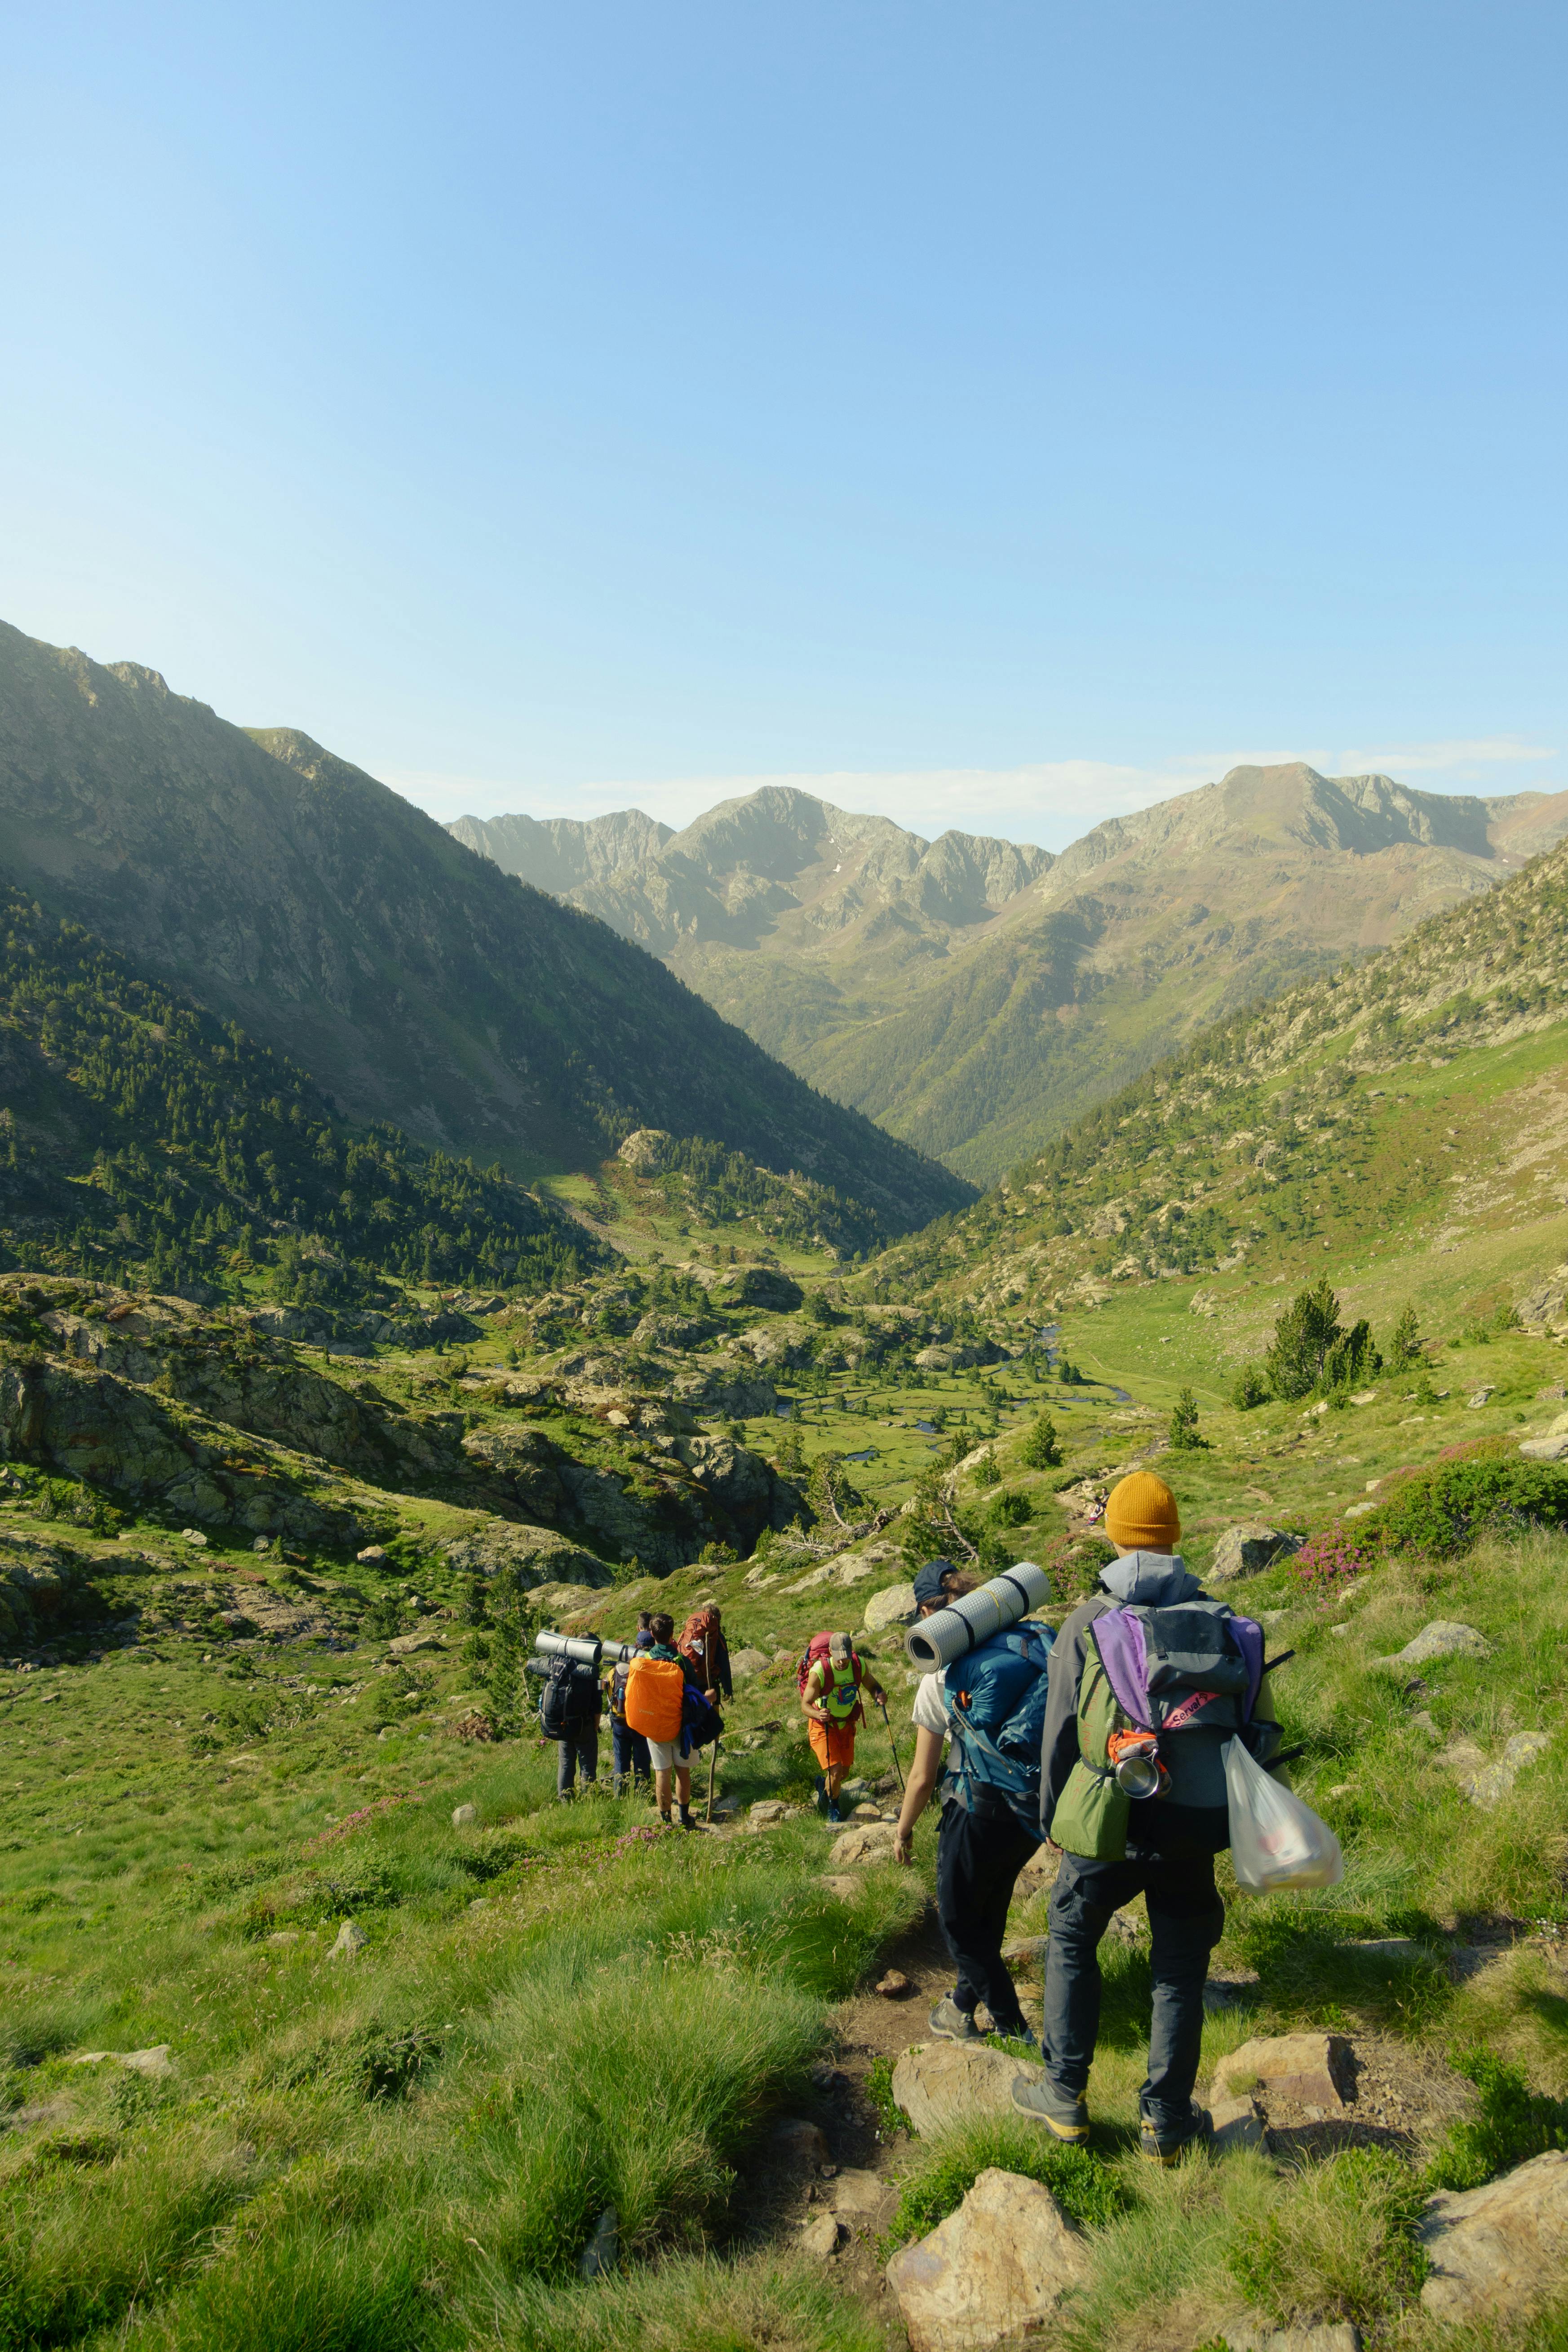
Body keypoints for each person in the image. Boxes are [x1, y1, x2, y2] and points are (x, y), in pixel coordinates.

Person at [1012, 1471, 1278, 2165]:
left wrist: (1052, 1819)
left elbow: (1058, 1732)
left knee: (1072, 1937)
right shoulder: (1224, 1621)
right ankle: (1165, 2120)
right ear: (1173, 1536)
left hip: (1110, 1821)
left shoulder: (1089, 1621)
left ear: (1115, 1536)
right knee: (1179, 1968)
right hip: (1193, 1824)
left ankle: (1063, 2094)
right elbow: (1258, 1729)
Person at [891, 1558, 1042, 2050]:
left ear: (925, 1612)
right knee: (990, 1910)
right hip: (1028, 1810)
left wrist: (903, 1829)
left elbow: (922, 1777)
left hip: (975, 1807)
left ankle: (1013, 2029)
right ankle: (960, 2006)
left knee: (958, 1921)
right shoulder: (1023, 1643)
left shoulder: (940, 1677)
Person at [800, 1630, 886, 1822]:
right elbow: (805, 1705)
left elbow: (873, 1685)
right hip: (823, 1725)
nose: (842, 1662)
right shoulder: (820, 1671)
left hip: (846, 1724)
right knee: (836, 1771)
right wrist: (818, 1714)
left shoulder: (858, 1665)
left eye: (845, 1657)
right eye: (838, 1657)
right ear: (830, 1652)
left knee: (844, 1773)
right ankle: (834, 1809)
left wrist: (879, 1695)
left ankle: (823, 1786)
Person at [642, 1612, 706, 1830]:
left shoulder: (644, 1661)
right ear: (673, 1635)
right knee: (683, 1771)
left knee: (662, 1772)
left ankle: (666, 1822)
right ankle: (684, 1818)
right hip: (681, 1724)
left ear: (652, 1634)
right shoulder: (682, 1662)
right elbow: (694, 1692)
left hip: (656, 1725)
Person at [607, 1616, 655, 1797]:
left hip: (619, 1720)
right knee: (642, 1761)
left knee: (621, 1762)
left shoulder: (617, 1668)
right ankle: (643, 1795)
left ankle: (620, 1796)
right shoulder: (650, 1668)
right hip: (640, 1722)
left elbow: (608, 1689)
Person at [553, 1653, 602, 1800]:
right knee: (587, 1765)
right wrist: (596, 1724)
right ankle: (589, 1798)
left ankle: (565, 1799)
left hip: (563, 1726)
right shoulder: (589, 1671)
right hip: (585, 1725)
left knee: (565, 1764)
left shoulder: (561, 1667)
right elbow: (597, 1703)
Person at [677, 1604, 732, 1704]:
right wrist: (728, 1689)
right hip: (710, 1682)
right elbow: (724, 1664)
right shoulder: (718, 1637)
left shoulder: (690, 1633)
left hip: (689, 1679)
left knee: (695, 1708)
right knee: (712, 1711)